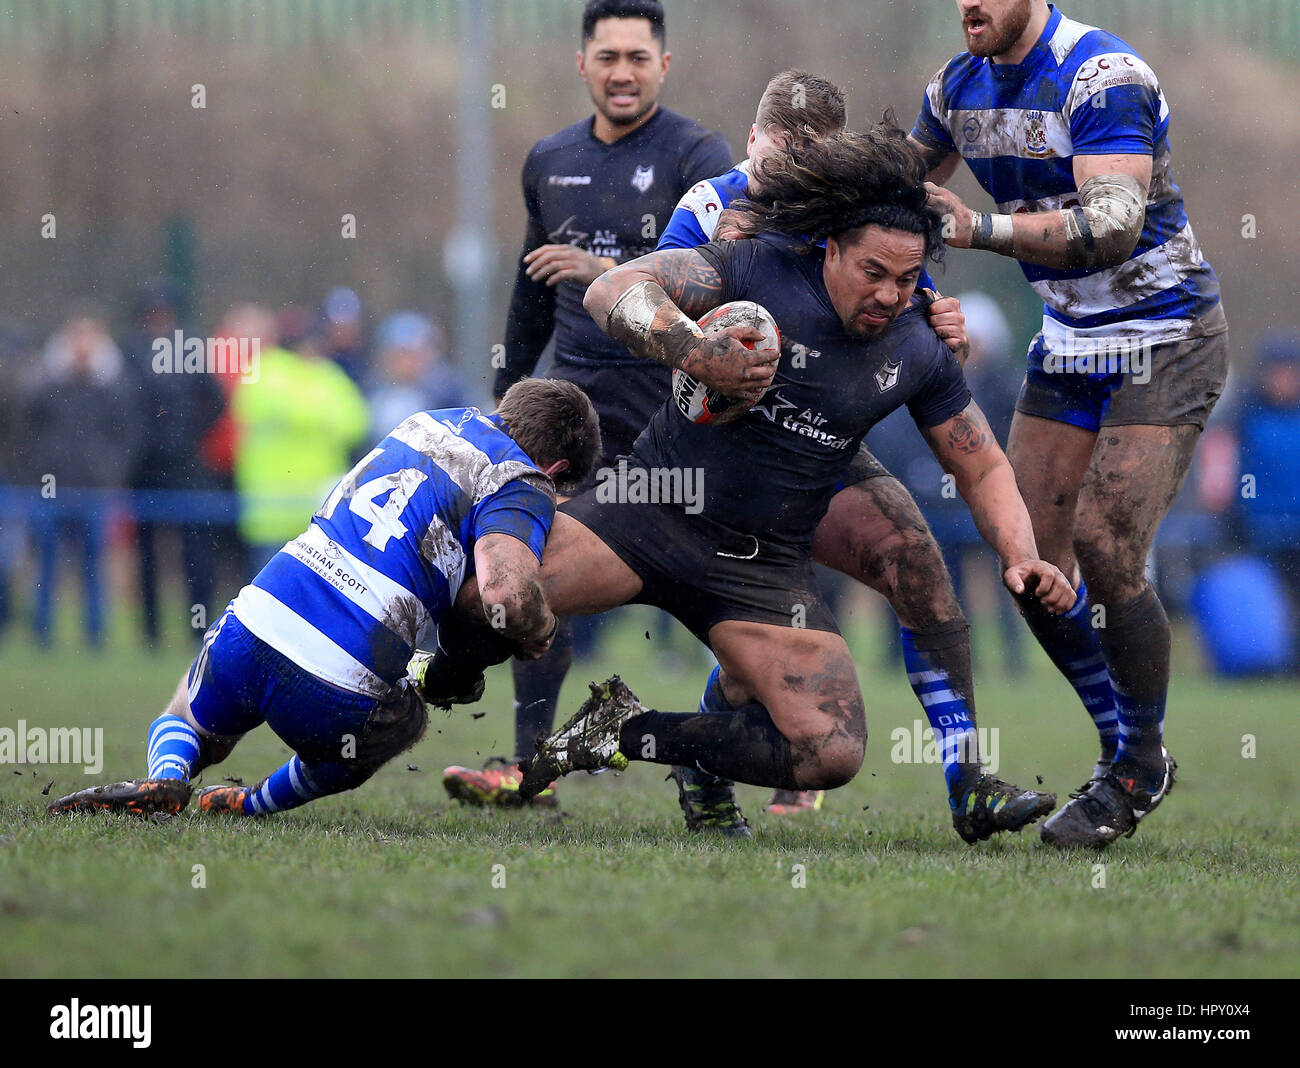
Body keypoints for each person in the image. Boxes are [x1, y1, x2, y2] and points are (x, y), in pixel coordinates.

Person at [437, 125, 1072, 843]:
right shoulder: (750, 270)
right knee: (482, 600)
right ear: (829, 247)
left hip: (760, 570)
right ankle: (417, 680)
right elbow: (614, 288)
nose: (891, 295)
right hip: (648, 516)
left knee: (832, 751)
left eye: (907, 278)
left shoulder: (918, 344)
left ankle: (624, 731)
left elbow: (981, 462)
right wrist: (695, 350)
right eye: (873, 273)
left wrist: (1021, 555)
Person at [910, 0, 1229, 846]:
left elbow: (1115, 227)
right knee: (1027, 558)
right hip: (1070, 344)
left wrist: (978, 228)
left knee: (1107, 541)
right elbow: (895, 190)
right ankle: (1120, 748)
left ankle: (1139, 762)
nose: (968, 3)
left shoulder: (1103, 75)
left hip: (1166, 336)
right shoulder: (954, 86)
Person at [656, 69, 1005, 829]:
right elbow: (656, 313)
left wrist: (937, 322)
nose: (793, 166)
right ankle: (680, 751)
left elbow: (895, 288)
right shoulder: (711, 209)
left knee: (919, 567)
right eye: (784, 149)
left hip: (821, 449)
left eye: (815, 152)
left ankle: (971, 781)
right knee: (774, 657)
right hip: (722, 452)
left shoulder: (839, 216)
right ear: (752, 140)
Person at [47, 381, 601, 820]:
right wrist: (539, 629)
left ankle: (168, 774)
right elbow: (505, 591)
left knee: (191, 712)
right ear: (555, 469)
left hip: (257, 620)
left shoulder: (427, 421)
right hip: (337, 683)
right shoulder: (522, 478)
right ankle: (250, 802)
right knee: (403, 720)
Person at [442, 0, 734, 810]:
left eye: (639, 57)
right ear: (583, 65)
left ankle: (756, 758)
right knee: (538, 572)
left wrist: (603, 264)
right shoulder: (549, 158)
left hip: (673, 418)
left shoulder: (697, 152)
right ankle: (527, 765)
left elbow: (720, 266)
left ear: (663, 66)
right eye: (608, 56)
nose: (623, 72)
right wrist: (507, 400)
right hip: (578, 417)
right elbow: (532, 288)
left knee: (736, 585)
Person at [24, 309, 143, 648]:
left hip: (94, 490)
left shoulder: (114, 386)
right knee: (47, 564)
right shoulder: (47, 383)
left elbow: (126, 435)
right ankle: (42, 635)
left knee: (93, 566)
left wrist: (110, 472)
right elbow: (28, 431)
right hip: (51, 489)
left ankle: (95, 636)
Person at [121, 280, 226, 647]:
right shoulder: (130, 352)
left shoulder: (189, 349)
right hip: (146, 468)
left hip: (186, 469)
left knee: (196, 552)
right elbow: (125, 405)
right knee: (147, 551)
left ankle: (198, 629)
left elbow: (215, 400)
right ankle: (150, 632)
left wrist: (187, 435)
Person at [232, 323, 371, 575]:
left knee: (307, 600)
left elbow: (356, 422)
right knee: (266, 595)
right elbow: (251, 405)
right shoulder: (267, 368)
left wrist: (302, 412)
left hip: (315, 514)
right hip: (271, 513)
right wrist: (319, 414)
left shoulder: (328, 374)